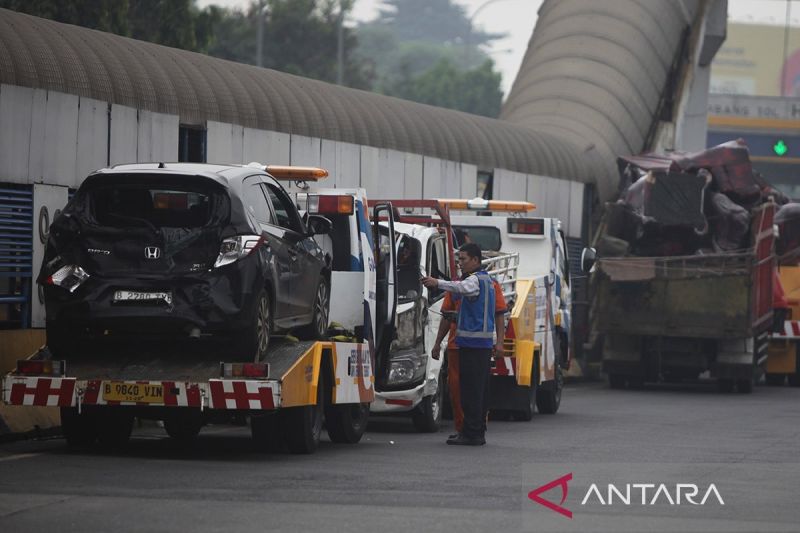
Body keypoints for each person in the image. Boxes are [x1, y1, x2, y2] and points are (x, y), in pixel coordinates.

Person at [422, 242, 504, 446]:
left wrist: (436, 282)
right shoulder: (488, 282)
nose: (460, 264)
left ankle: (472, 433)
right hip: (481, 345)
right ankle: (474, 430)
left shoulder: (474, 281)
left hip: (472, 345)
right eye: (458, 260)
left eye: (464, 260)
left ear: (476, 260)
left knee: (470, 392)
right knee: (478, 391)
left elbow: (460, 287)